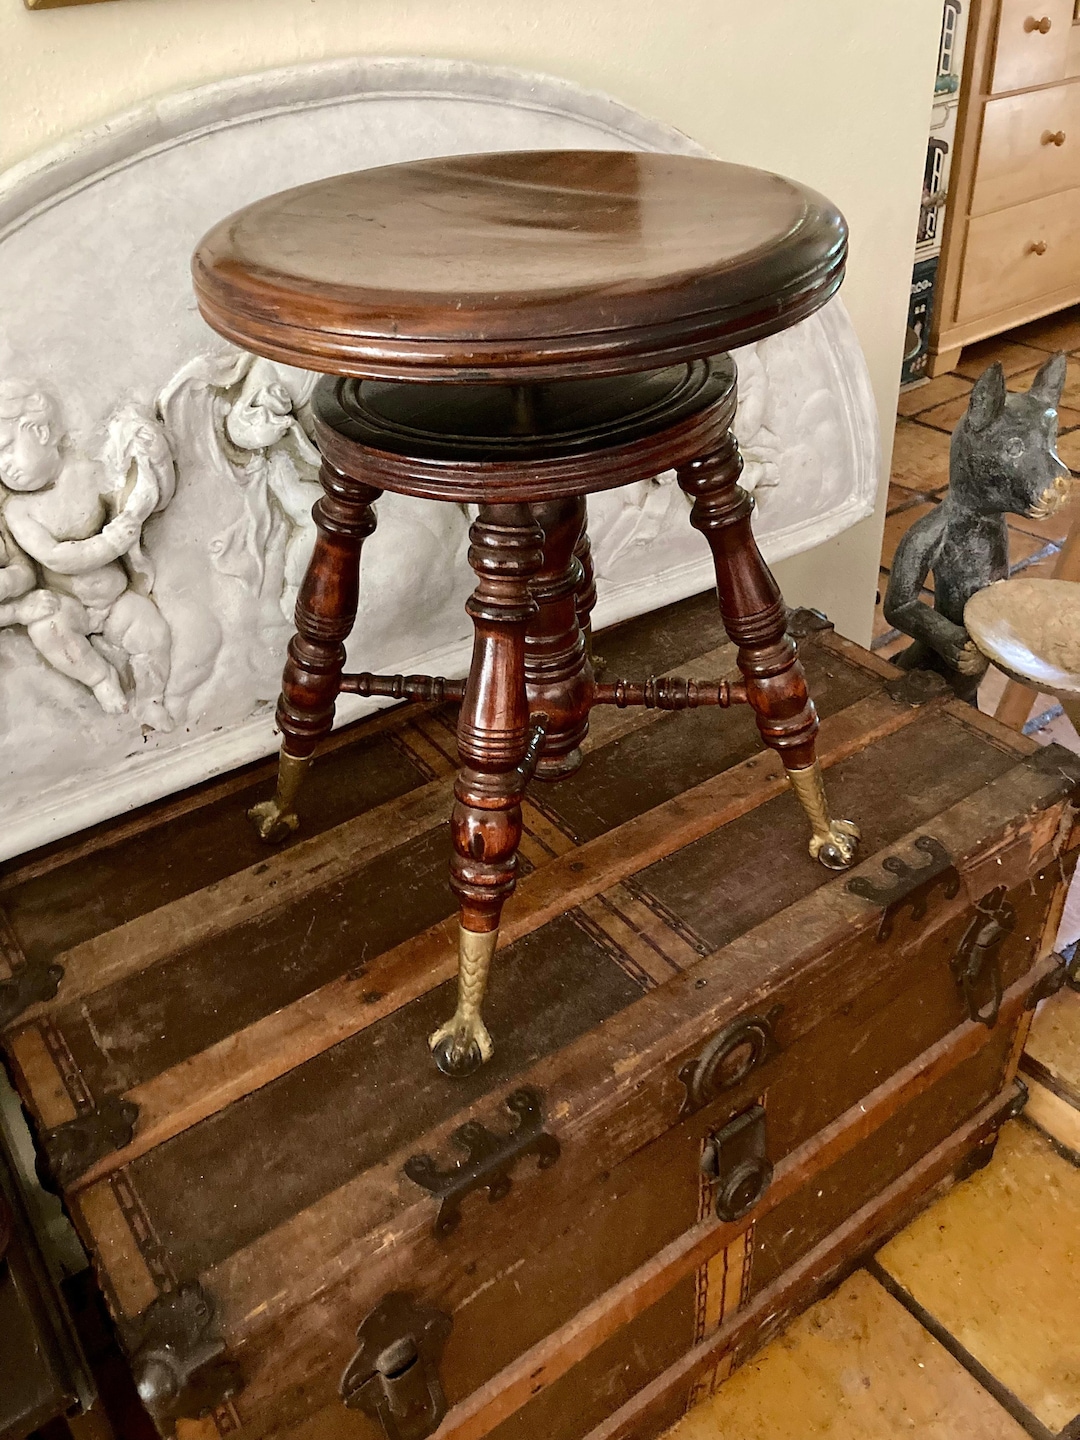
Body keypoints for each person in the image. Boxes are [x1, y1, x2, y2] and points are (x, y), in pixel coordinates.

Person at [0, 380, 174, 729]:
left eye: (5, 448)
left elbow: (139, 502)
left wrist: (155, 459)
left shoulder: (88, 470)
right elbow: (54, 557)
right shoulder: (19, 511)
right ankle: (100, 678)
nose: (4, 467)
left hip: (114, 596)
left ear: (39, 431)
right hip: (68, 604)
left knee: (153, 633)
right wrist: (109, 544)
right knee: (49, 630)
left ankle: (151, 699)